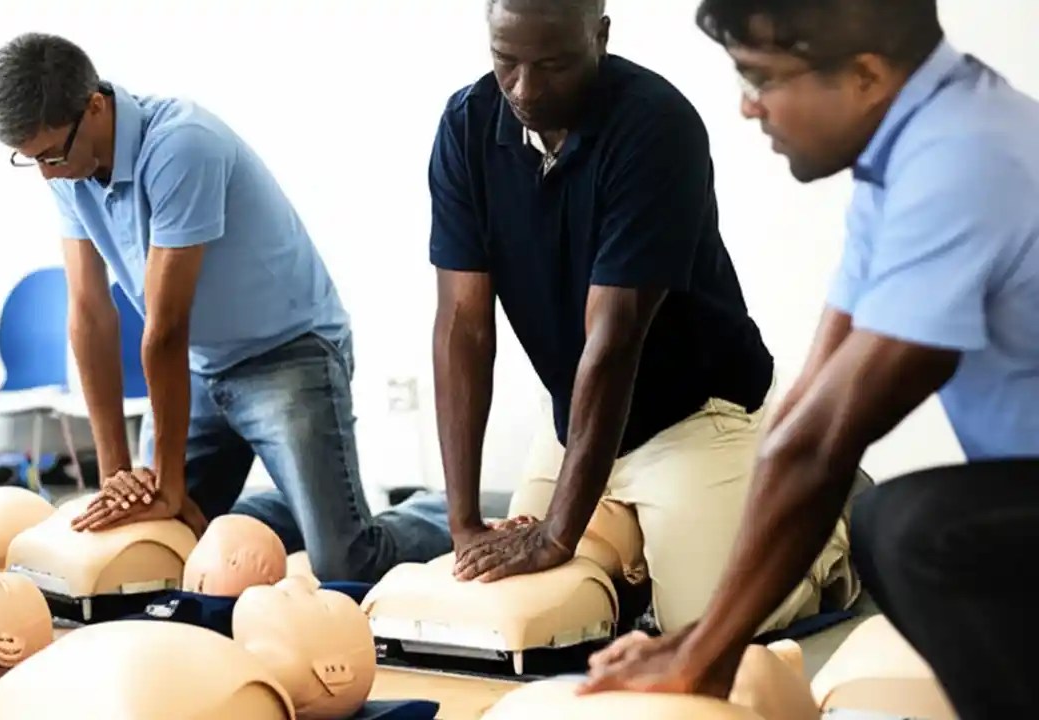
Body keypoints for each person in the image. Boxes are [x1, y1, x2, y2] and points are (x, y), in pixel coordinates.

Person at [582, 2, 1039, 718]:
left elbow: (825, 442)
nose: (745, 105)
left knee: (919, 530)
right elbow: (804, 413)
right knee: (887, 522)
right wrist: (704, 636)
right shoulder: (902, 158)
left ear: (864, 75)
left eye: (762, 78)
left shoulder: (966, 156)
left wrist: (701, 658)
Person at [429, 0, 854, 636]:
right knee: (515, 609)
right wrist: (463, 522)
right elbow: (463, 325)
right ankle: (637, 544)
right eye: (505, 61)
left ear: (599, 36)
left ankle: (819, 521)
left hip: (697, 413)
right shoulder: (467, 123)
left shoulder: (656, 125)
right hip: (580, 414)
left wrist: (556, 534)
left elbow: (614, 338)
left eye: (552, 64)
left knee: (705, 629)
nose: (524, 88)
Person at [0, 33, 451, 583]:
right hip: (200, 366)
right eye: (29, 158)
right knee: (169, 543)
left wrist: (168, 481)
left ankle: (441, 511)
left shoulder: (182, 145)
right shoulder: (70, 165)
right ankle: (304, 509)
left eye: (51, 155)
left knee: (346, 564)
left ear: (94, 106)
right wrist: (116, 476)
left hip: (287, 355)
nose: (46, 172)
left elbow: (165, 326)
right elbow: (89, 313)